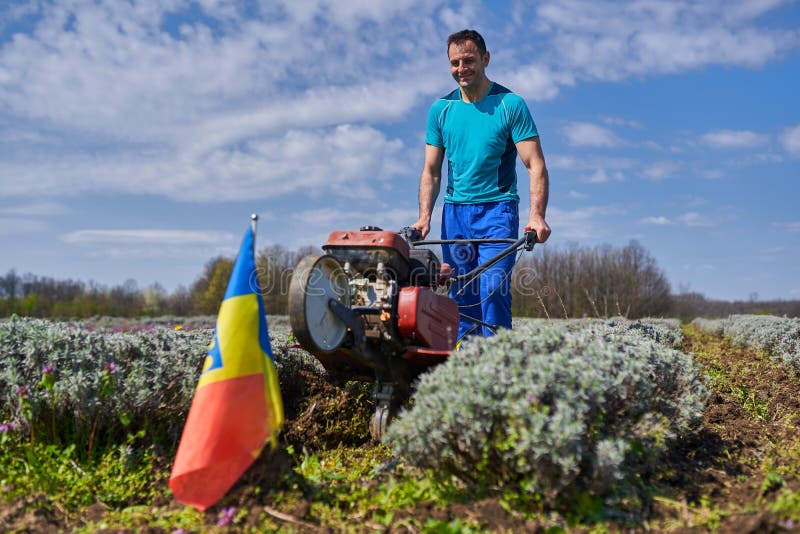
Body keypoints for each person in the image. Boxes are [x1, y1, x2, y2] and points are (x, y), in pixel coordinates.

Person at [412, 29, 551, 341]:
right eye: (455, 62)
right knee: (462, 293)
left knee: (492, 289)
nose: (462, 69)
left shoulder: (510, 104)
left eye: (469, 61)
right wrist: (424, 218)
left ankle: (498, 365)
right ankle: (467, 367)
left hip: (497, 211)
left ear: (485, 59)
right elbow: (431, 171)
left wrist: (537, 216)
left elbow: (535, 164)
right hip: (456, 214)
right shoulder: (441, 110)